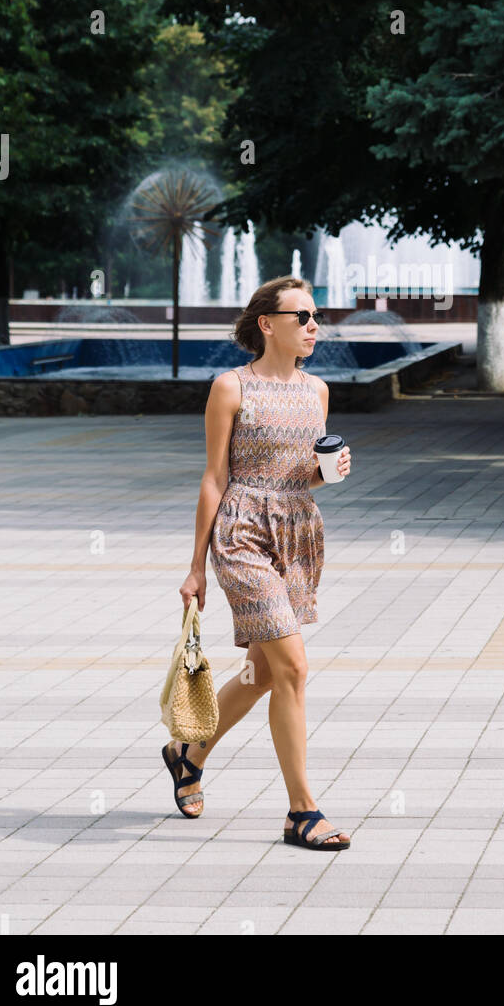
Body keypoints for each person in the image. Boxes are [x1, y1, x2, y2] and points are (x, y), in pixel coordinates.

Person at [162, 275, 353, 850]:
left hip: (297, 532)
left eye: (316, 315)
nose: (314, 326)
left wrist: (329, 472)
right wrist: (196, 567)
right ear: (268, 324)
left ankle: (186, 753)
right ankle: (302, 812)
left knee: (265, 672)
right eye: (302, 317)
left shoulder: (317, 391)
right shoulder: (231, 388)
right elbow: (214, 478)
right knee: (292, 665)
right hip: (241, 534)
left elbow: (304, 475)